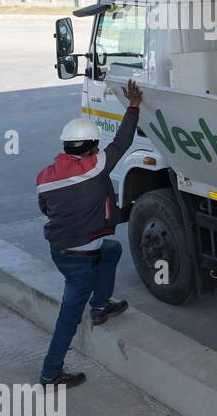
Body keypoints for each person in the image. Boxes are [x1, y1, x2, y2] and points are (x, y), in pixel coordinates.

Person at [35, 80, 143, 388]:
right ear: (92, 147)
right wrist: (133, 106)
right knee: (69, 317)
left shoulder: (45, 176)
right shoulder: (96, 167)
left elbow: (45, 208)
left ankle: (101, 305)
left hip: (60, 250)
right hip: (80, 261)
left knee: (111, 251)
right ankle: (50, 373)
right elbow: (122, 141)